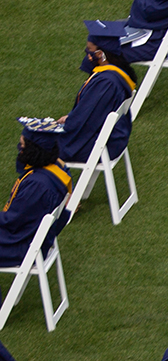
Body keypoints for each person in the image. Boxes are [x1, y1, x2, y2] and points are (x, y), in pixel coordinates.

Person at [51, 25, 137, 165]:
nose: (87, 54)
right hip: (114, 137)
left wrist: (62, 129)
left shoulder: (105, 83)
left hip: (102, 145)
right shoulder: (115, 72)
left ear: (101, 54)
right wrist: (70, 118)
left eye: (89, 50)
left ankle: (42, 179)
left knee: (37, 145)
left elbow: (86, 122)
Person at [5, 119, 73, 265]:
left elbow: (13, 221)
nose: (19, 149)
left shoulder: (37, 185)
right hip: (35, 239)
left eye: (23, 146)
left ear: (33, 150)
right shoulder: (56, 170)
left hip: (21, 246)